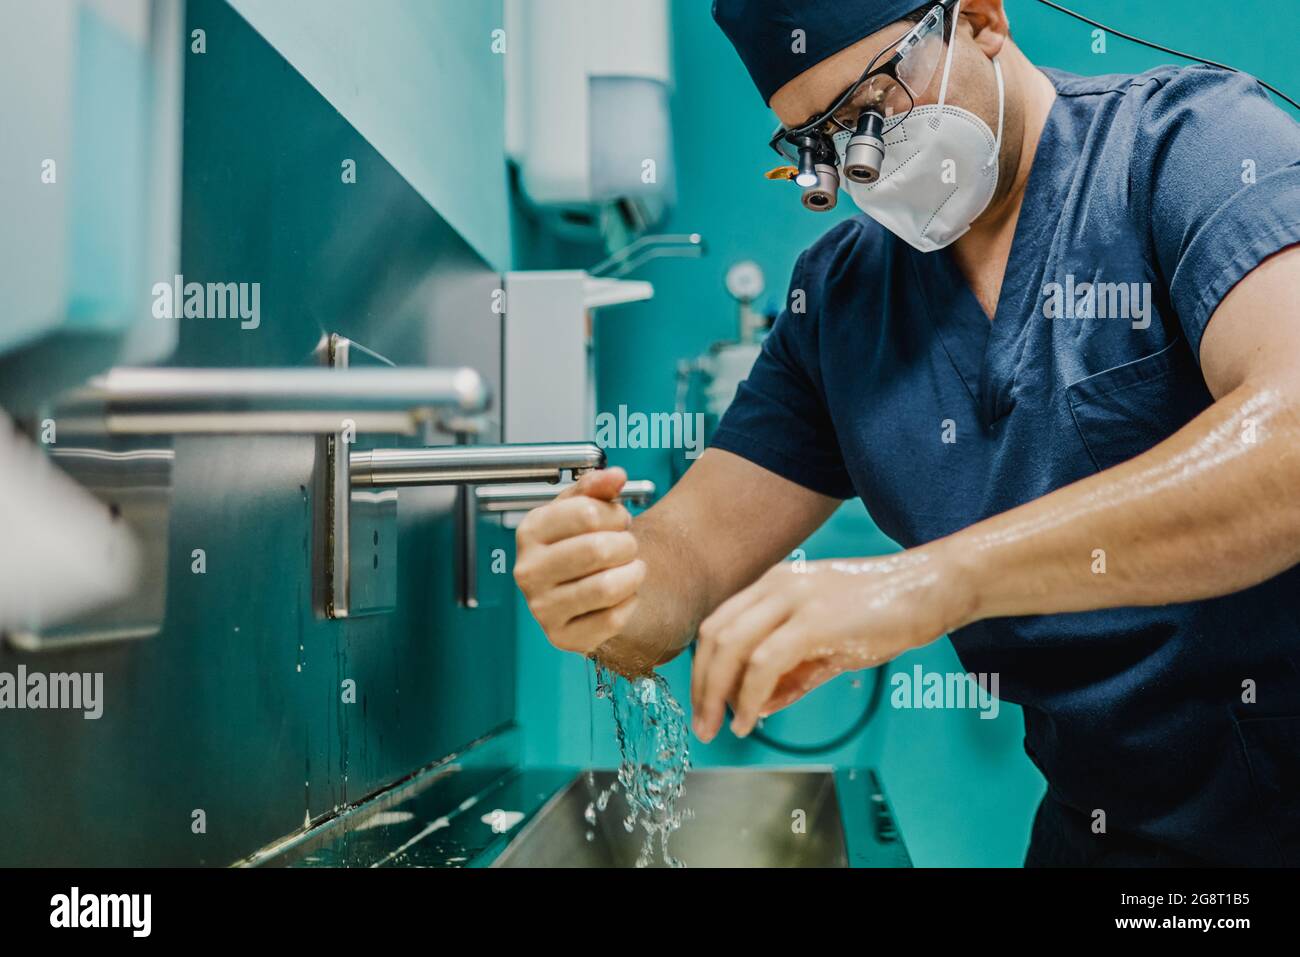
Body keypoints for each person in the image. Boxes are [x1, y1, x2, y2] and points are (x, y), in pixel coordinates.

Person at [513, 0, 1300, 866]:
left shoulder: (1191, 148)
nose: (867, 163)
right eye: (821, 142)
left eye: (875, 106)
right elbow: (684, 564)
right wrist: (604, 582)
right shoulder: (842, 305)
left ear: (982, 18)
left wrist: (933, 583)